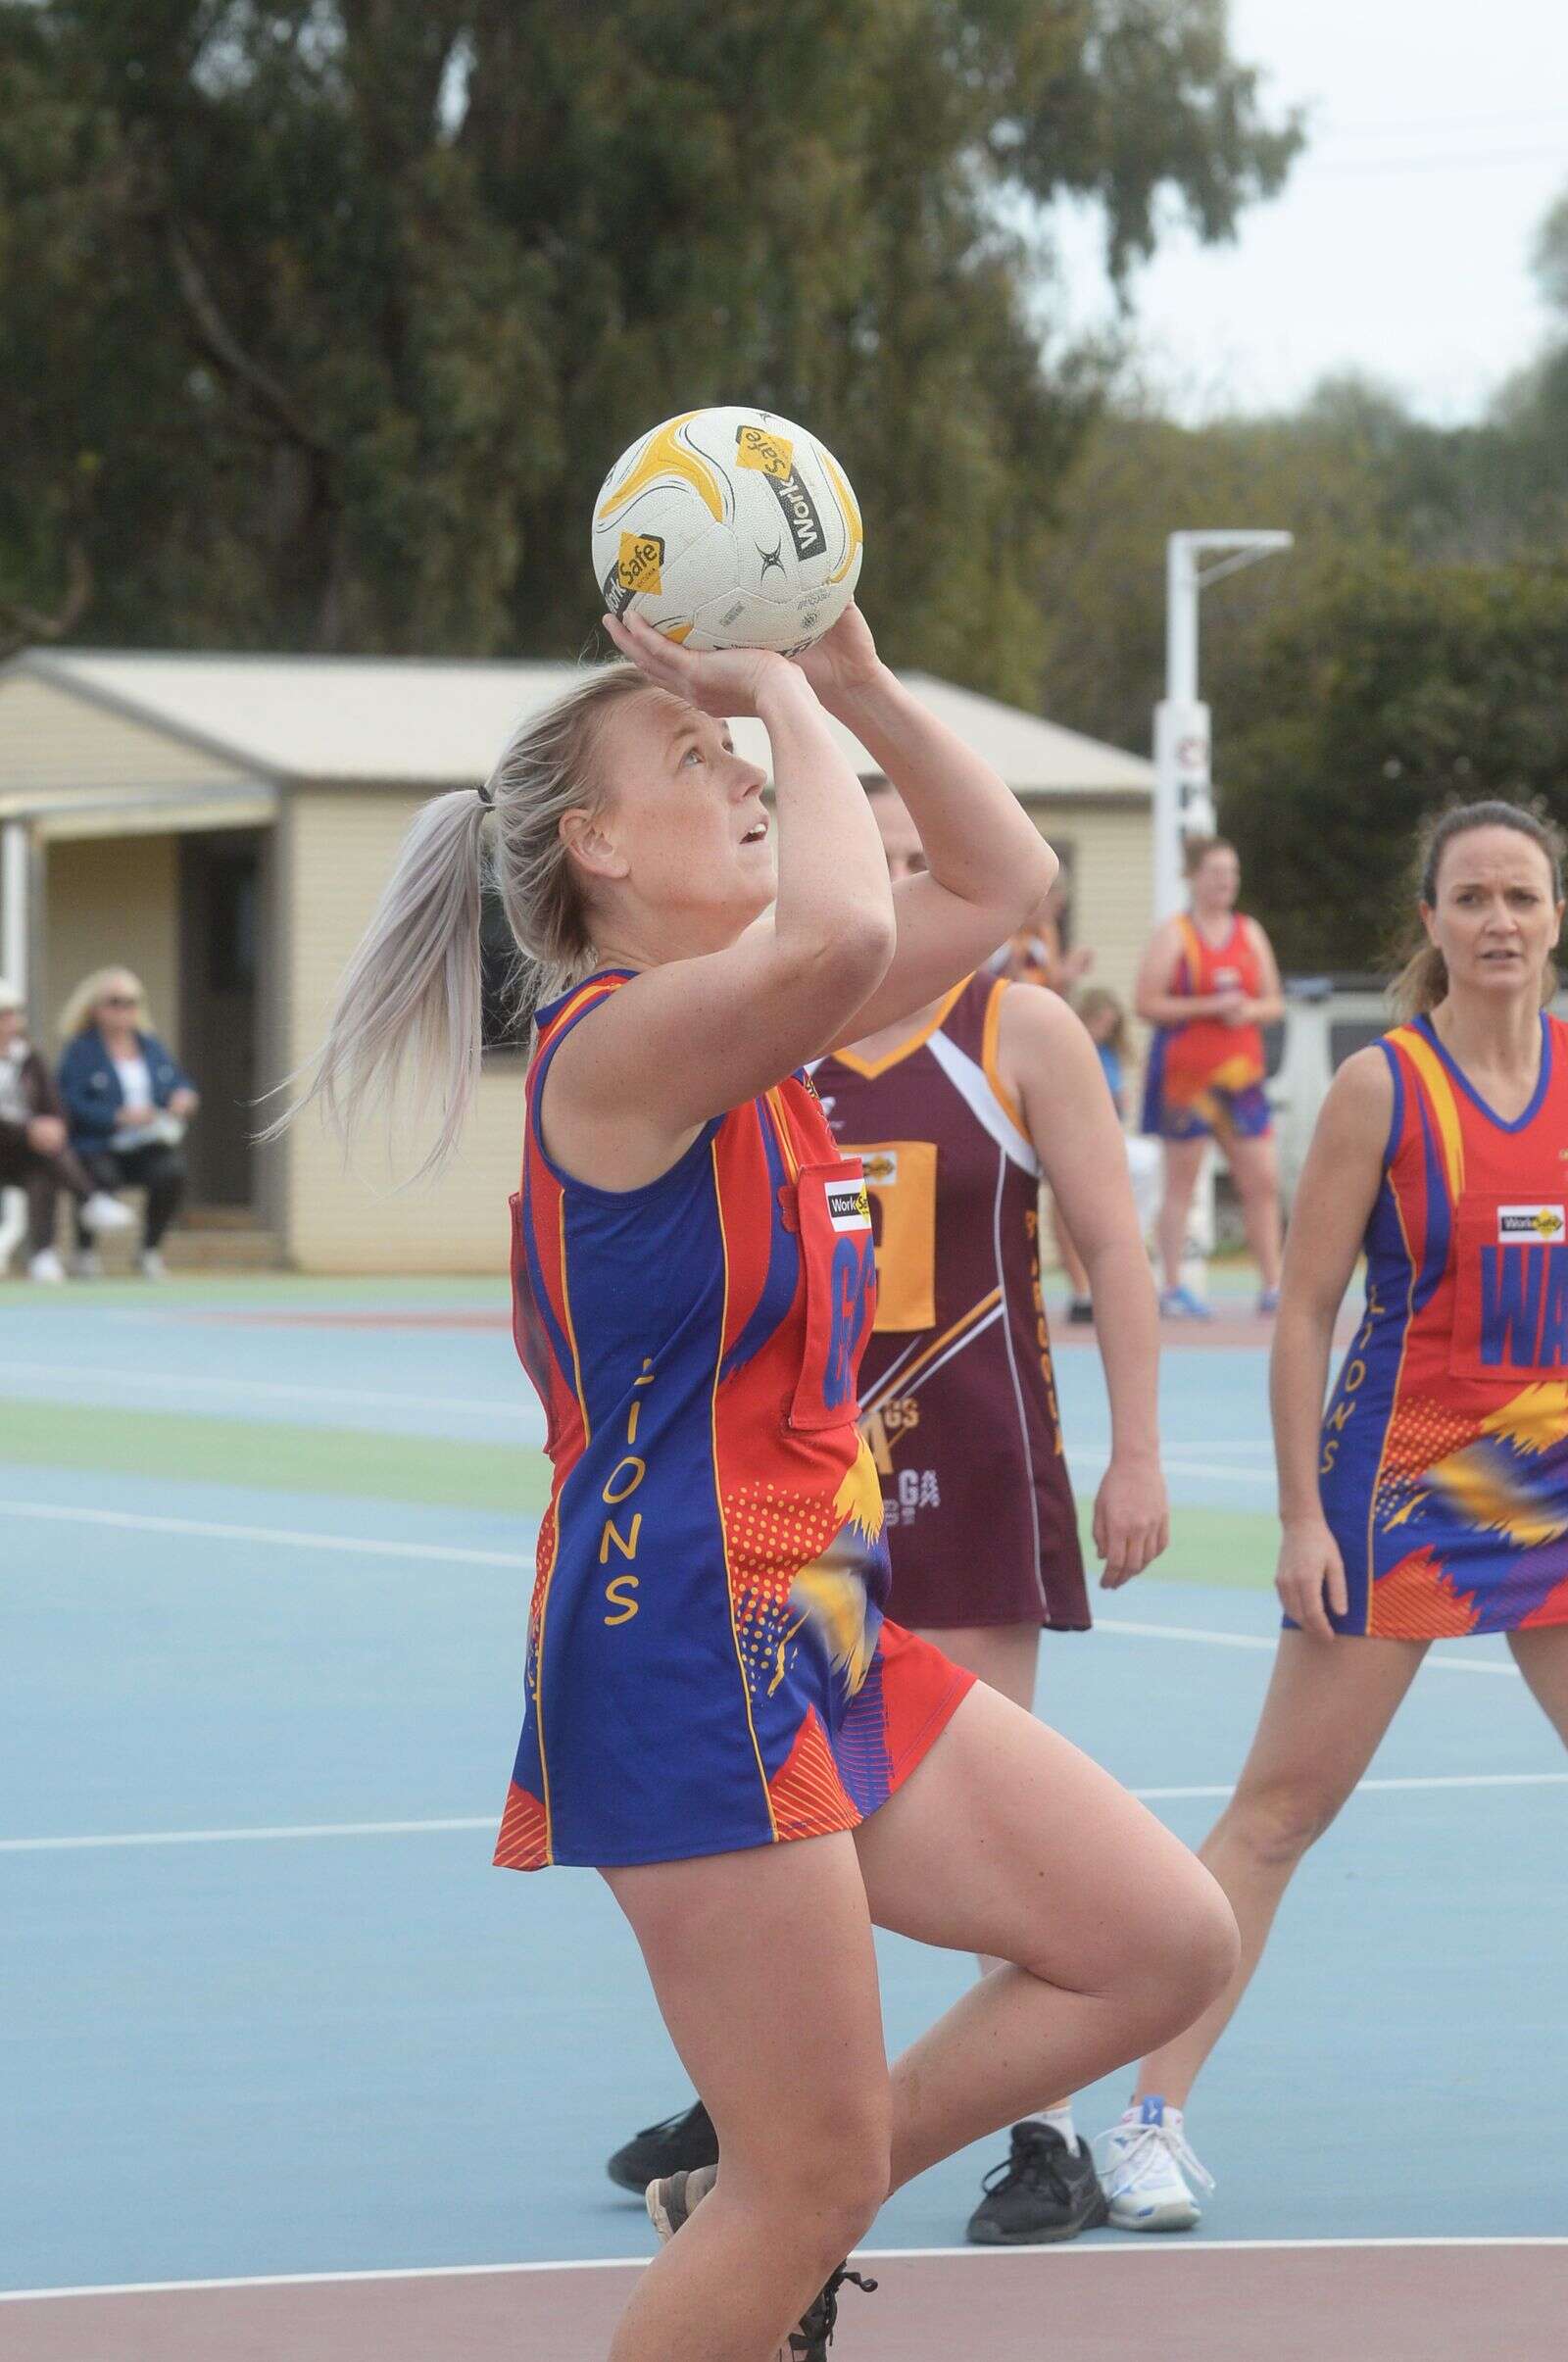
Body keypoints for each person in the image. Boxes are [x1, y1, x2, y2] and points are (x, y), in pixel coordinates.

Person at [280, 602, 1237, 2362]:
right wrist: (779, 689)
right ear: (596, 843)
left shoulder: (759, 1030)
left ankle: (769, 2193)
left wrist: (855, 679)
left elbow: (1004, 876)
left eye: (740, 751)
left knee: (1164, 1943)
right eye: (696, 755)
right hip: (681, 1636)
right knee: (811, 2180)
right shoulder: (618, 1046)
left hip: (823, 1610)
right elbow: (855, 916)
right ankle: (779, 2204)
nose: (744, 773)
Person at [607, 787, 1169, 2251]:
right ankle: (758, 2099)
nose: (900, 879)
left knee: (993, 1816)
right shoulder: (767, 1035)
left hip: (971, 1459)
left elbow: (1112, 1246)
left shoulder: (1019, 1030)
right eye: (874, 856)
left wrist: (1136, 1453)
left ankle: (1043, 2132)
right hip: (808, 1492)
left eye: (921, 858)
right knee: (801, 1802)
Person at [1100, 800, 1568, 2236]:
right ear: (1430, 921)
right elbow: (1304, 1310)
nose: (1499, 919)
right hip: (1400, 1494)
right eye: (1472, 896)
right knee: (1281, 1813)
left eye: (1522, 894)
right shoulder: (1383, 1086)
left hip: (1550, 1486)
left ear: (1556, 916)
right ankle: (1143, 2117)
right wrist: (1304, 1516)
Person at [1136, 836, 1284, 1319]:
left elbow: (1274, 1002)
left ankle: (1273, 1285)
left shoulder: (1249, 932)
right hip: (1187, 1080)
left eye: (1232, 872)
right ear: (1193, 877)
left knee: (1261, 1180)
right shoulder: (1175, 934)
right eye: (1216, 872)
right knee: (1181, 1182)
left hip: (1241, 1079)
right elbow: (1146, 1003)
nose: (1226, 881)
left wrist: (1248, 1011)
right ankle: (1172, 1286)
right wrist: (1208, 1006)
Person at [55, 969, 199, 1279]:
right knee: (98, 1174)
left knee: (172, 1172)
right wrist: (118, 1116)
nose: (123, 1010)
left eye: (131, 1002)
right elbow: (69, 1101)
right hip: (98, 1144)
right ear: (96, 1008)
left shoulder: (151, 1046)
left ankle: (149, 1250)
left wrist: (183, 1097)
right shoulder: (81, 1050)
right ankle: (85, 1251)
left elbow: (179, 1082)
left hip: (147, 1143)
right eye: (115, 1002)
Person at [0, 981, 134, 1280]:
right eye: (3, 1015)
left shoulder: (28, 1057)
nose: (10, 1022)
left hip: (25, 1151)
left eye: (12, 1014)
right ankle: (90, 1198)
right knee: (44, 1149)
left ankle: (43, 1253)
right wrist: (28, 1129)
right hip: (12, 1141)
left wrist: (54, 1126)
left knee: (43, 1165)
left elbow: (53, 1102)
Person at [1054, 986, 1134, 1324]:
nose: (1104, 1030)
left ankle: (1101, 1287)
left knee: (1100, 1213)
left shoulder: (1108, 1053)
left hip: (1099, 1138)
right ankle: (1081, 1289)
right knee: (1065, 1210)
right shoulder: (1067, 1046)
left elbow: (1118, 1098)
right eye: (1100, 1022)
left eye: (1110, 1025)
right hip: (1069, 1134)